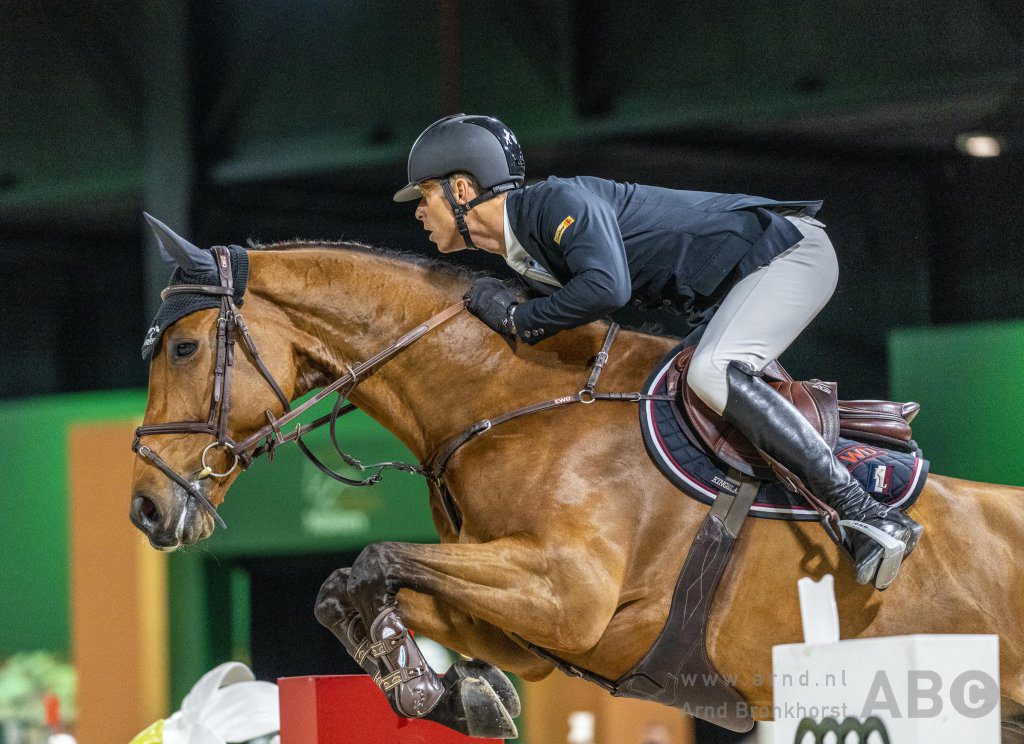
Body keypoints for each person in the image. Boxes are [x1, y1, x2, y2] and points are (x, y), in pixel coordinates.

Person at [393, 114, 922, 589]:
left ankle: (867, 513)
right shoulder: (523, 249)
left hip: (786, 253)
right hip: (744, 281)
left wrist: (517, 319)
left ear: (461, 188)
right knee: (675, 392)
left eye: (424, 195)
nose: (418, 212)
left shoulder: (556, 203)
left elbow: (606, 289)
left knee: (712, 372)